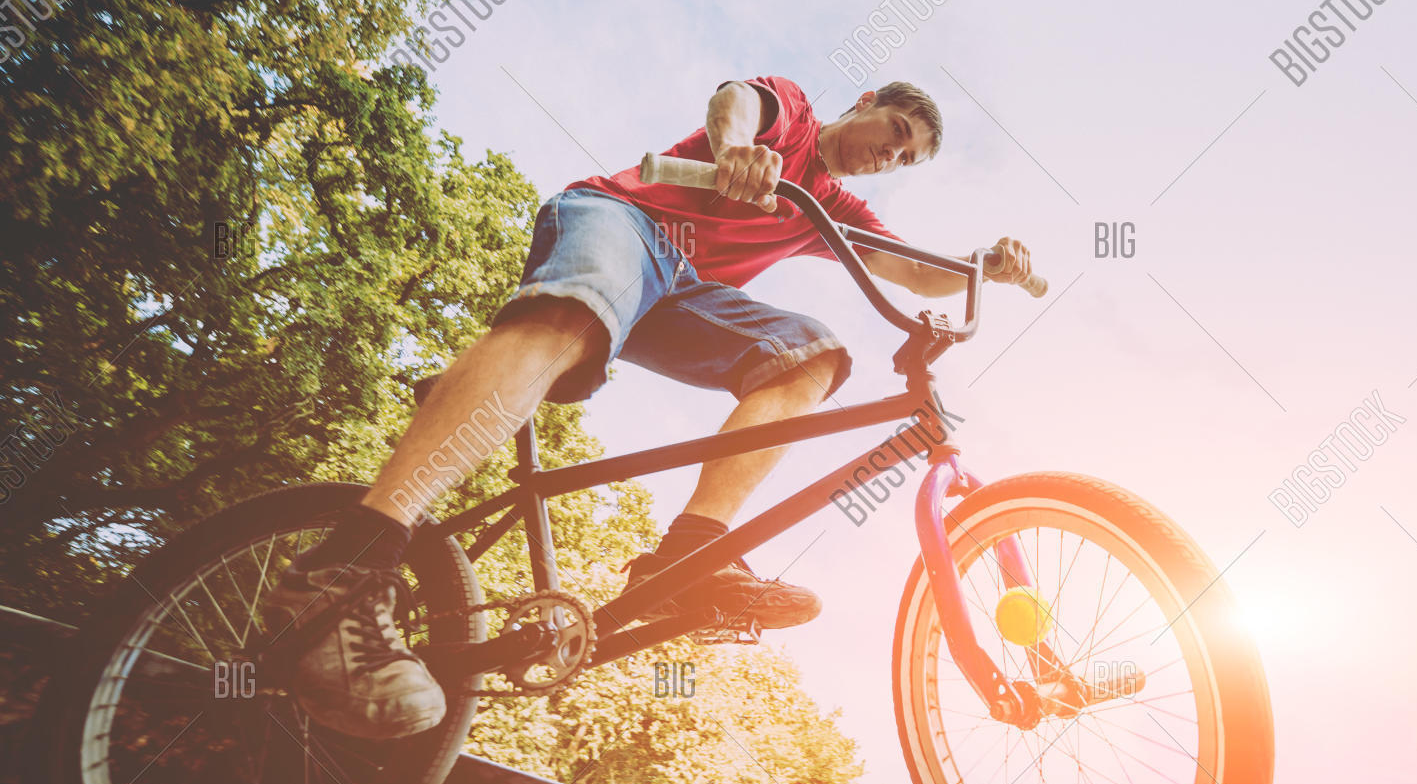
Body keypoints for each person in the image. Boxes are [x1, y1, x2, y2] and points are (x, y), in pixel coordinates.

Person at [264, 75, 1033, 738]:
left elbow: (911, 270)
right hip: (621, 223)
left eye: (904, 158)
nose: (888, 156)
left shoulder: (828, 206)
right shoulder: (792, 117)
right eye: (893, 133)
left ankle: (689, 554)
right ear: (864, 103)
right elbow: (737, 100)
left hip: (677, 291)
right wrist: (736, 148)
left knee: (813, 356)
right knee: (579, 311)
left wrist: (983, 268)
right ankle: (345, 564)